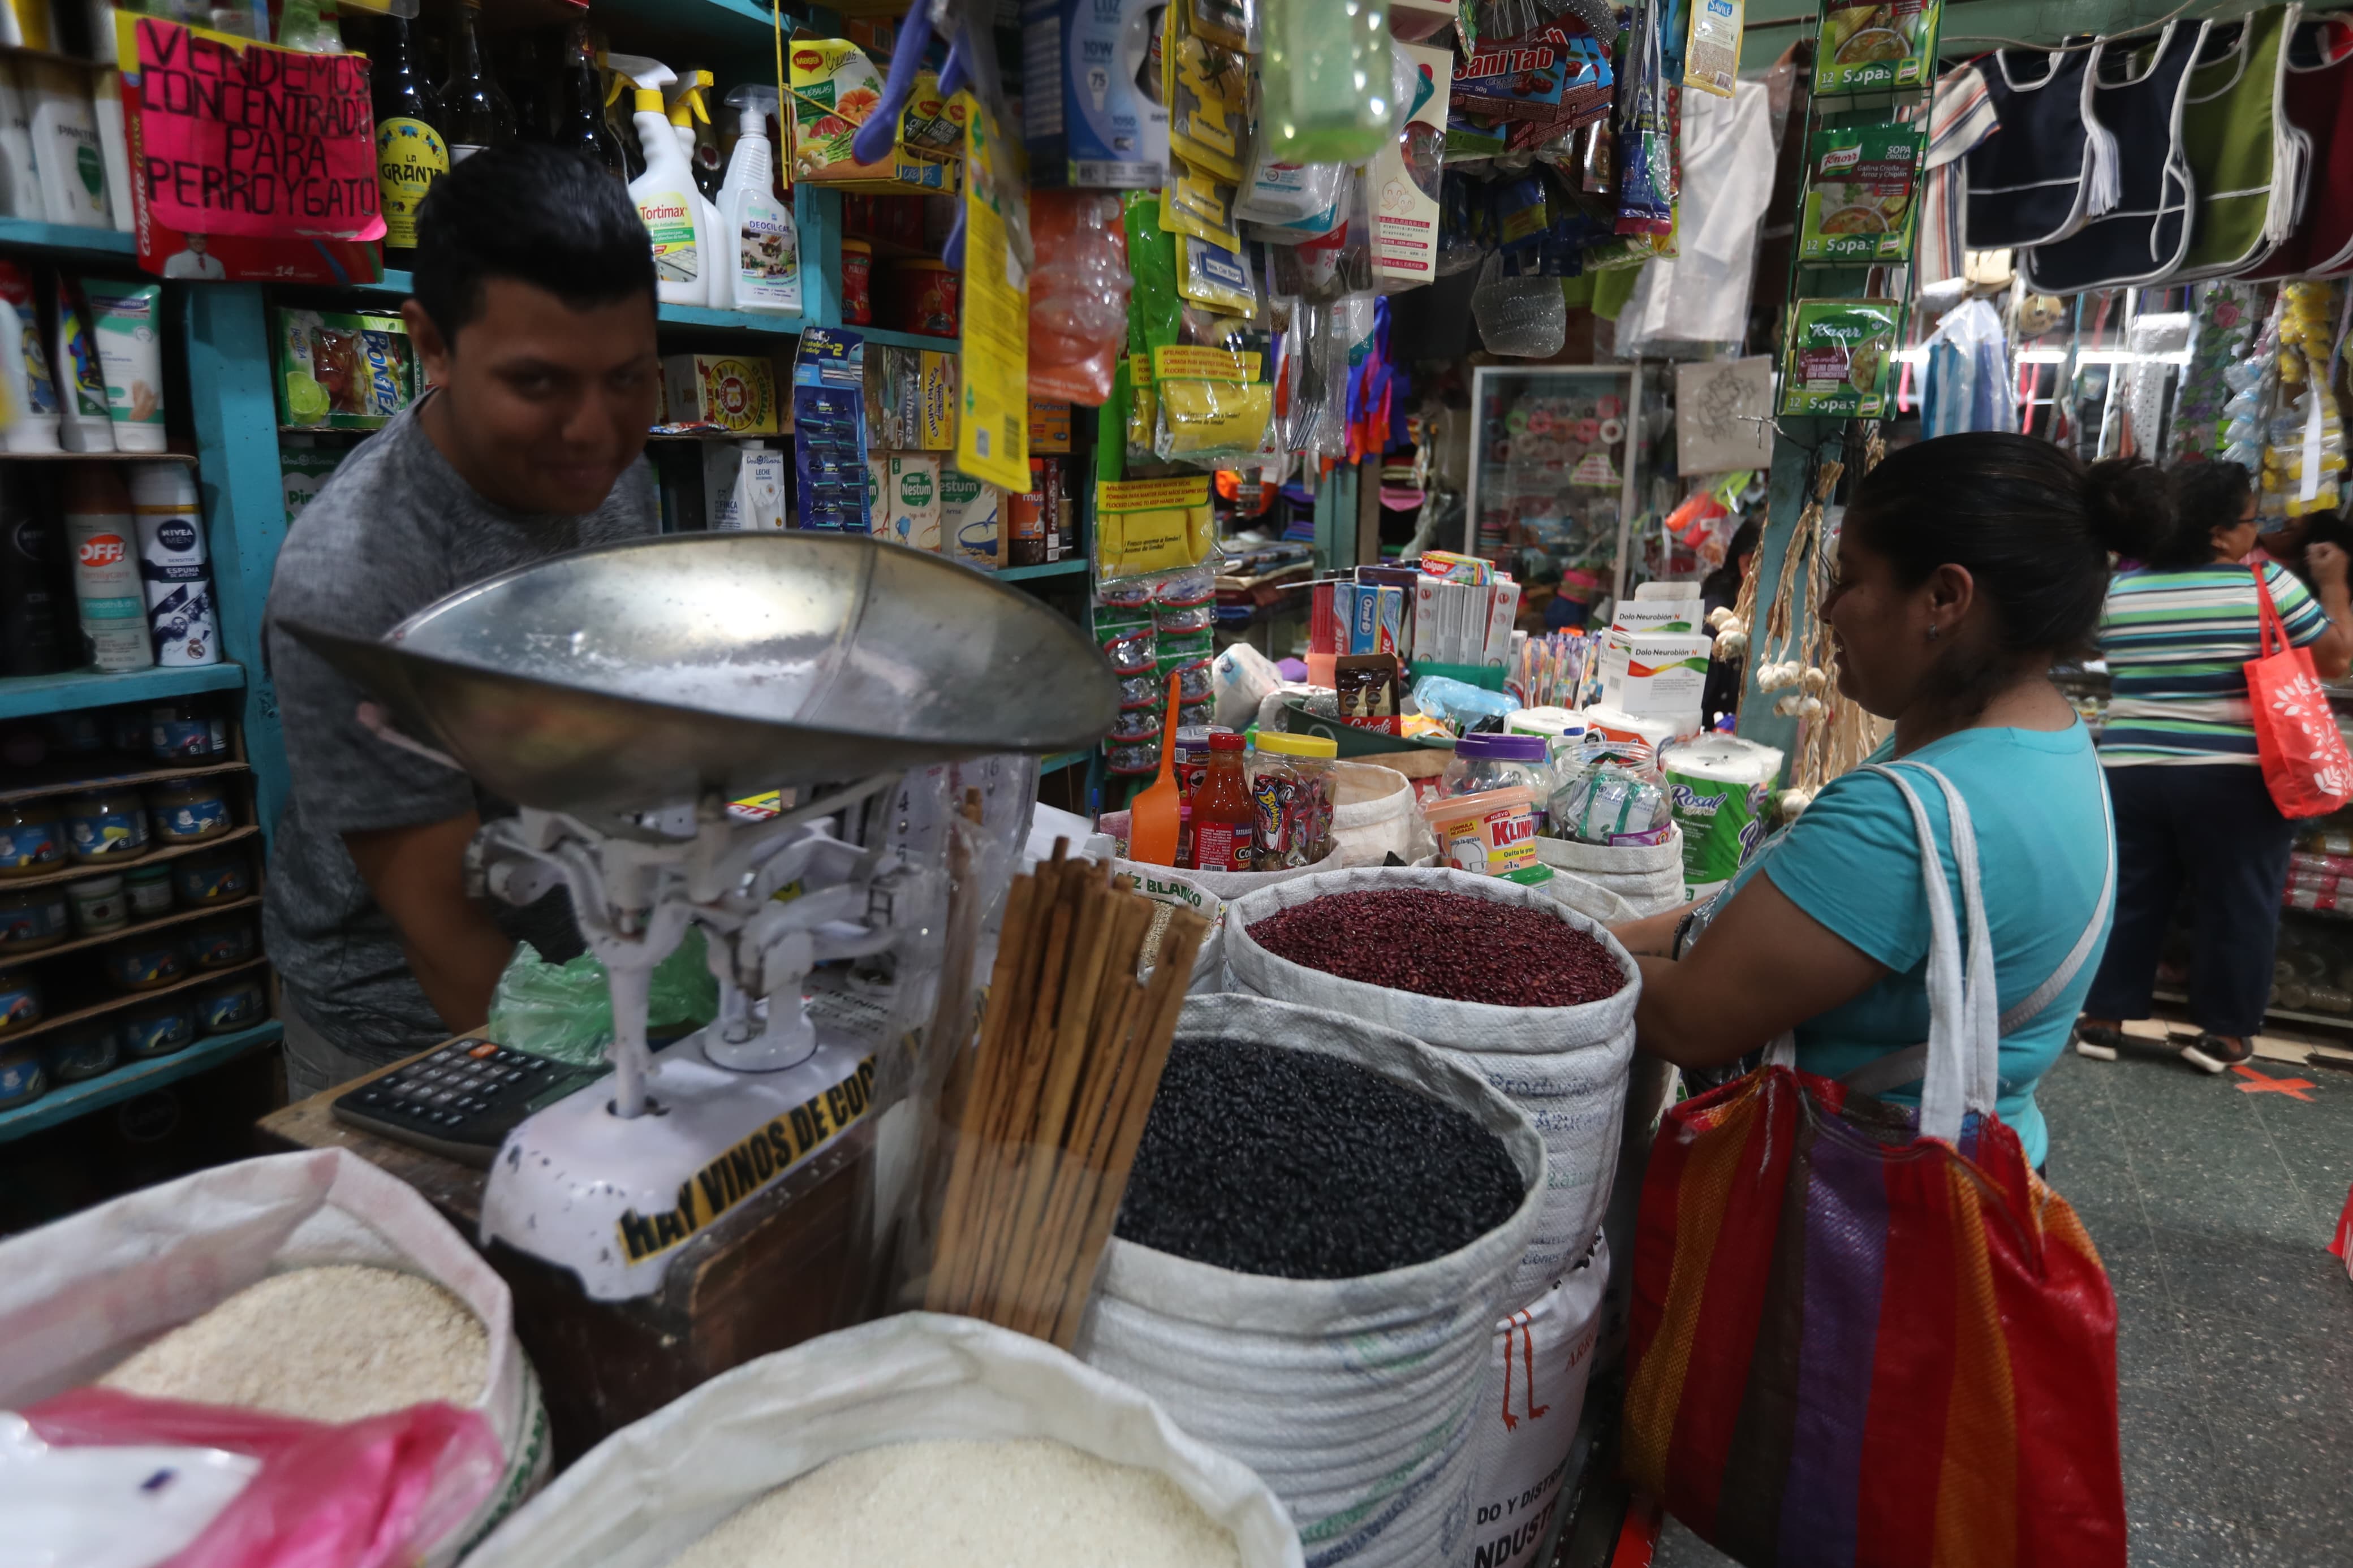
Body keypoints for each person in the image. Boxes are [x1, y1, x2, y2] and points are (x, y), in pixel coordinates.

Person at [1613, 433, 2131, 1173]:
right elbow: (1746, 913)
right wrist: (1593, 930)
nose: (1826, 610)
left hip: (1861, 1214)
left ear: (1945, 598)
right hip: (1983, 1170)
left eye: (1850, 578)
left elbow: (1689, 1018)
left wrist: (1539, 960)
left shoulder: (1909, 816)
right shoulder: (2040, 739)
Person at [261, 144, 662, 1098]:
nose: (595, 429)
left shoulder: (605, 470)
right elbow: (444, 934)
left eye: (630, 378)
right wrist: (604, 1113)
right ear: (432, 345)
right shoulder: (354, 579)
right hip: (407, 1025)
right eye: (538, 384)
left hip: (592, 969)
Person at [2075, 460, 2353, 1072]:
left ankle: (2100, 1019)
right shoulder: (2263, 587)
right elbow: (2334, 658)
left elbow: (2094, 648)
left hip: (2128, 769)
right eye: (2253, 520)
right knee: (2237, 900)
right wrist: (2334, 585)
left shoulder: (2120, 590)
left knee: (2128, 895)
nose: (2258, 533)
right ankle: (2223, 1034)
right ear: (2220, 533)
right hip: (2234, 775)